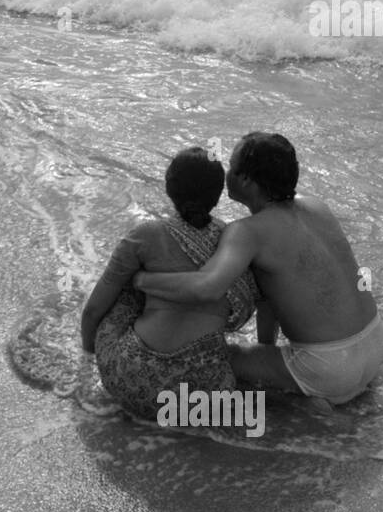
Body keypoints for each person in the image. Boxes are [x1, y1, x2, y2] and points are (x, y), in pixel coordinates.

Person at [133, 132, 383, 406]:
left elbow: (207, 287)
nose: (226, 173)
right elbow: (274, 293)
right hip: (374, 343)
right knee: (266, 352)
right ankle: (308, 385)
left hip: (329, 366)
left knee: (219, 358)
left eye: (231, 166)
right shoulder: (316, 206)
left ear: (246, 181)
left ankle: (310, 404)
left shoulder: (247, 232)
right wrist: (267, 350)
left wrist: (141, 279)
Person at [81, 147, 259, 419]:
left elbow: (94, 311)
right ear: (217, 194)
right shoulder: (236, 242)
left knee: (126, 283)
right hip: (205, 398)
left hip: (132, 383)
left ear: (169, 187)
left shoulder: (145, 236)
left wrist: (88, 355)